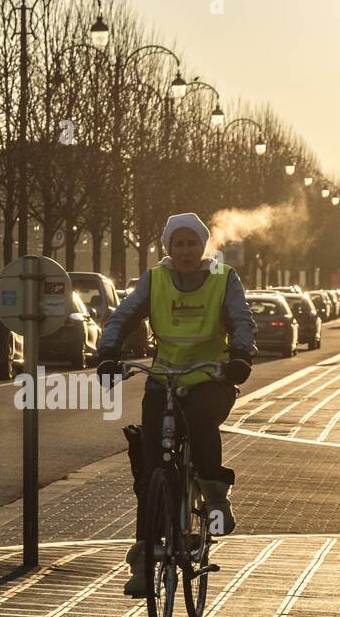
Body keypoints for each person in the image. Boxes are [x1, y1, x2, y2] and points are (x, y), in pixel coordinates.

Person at [97, 213, 256, 596]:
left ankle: (216, 499)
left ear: (203, 245)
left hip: (210, 377)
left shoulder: (223, 278)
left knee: (202, 423)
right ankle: (144, 560)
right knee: (149, 466)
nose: (185, 250)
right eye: (178, 243)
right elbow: (123, 315)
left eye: (191, 243)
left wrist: (240, 355)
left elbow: (241, 319)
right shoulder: (155, 280)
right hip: (164, 378)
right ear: (168, 248)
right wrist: (107, 352)